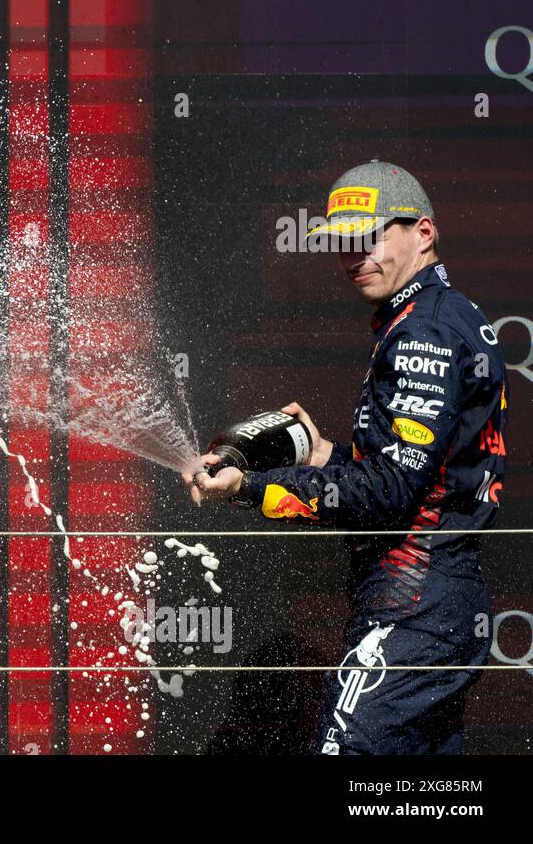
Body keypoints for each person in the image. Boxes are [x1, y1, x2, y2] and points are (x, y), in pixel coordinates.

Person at [183, 160, 508, 755]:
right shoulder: (431, 318)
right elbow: (423, 468)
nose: (354, 255)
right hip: (431, 602)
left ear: (424, 233)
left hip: (414, 604)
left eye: (370, 237)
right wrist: (325, 451)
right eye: (340, 243)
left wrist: (250, 486)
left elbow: (389, 489)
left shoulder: (424, 331)